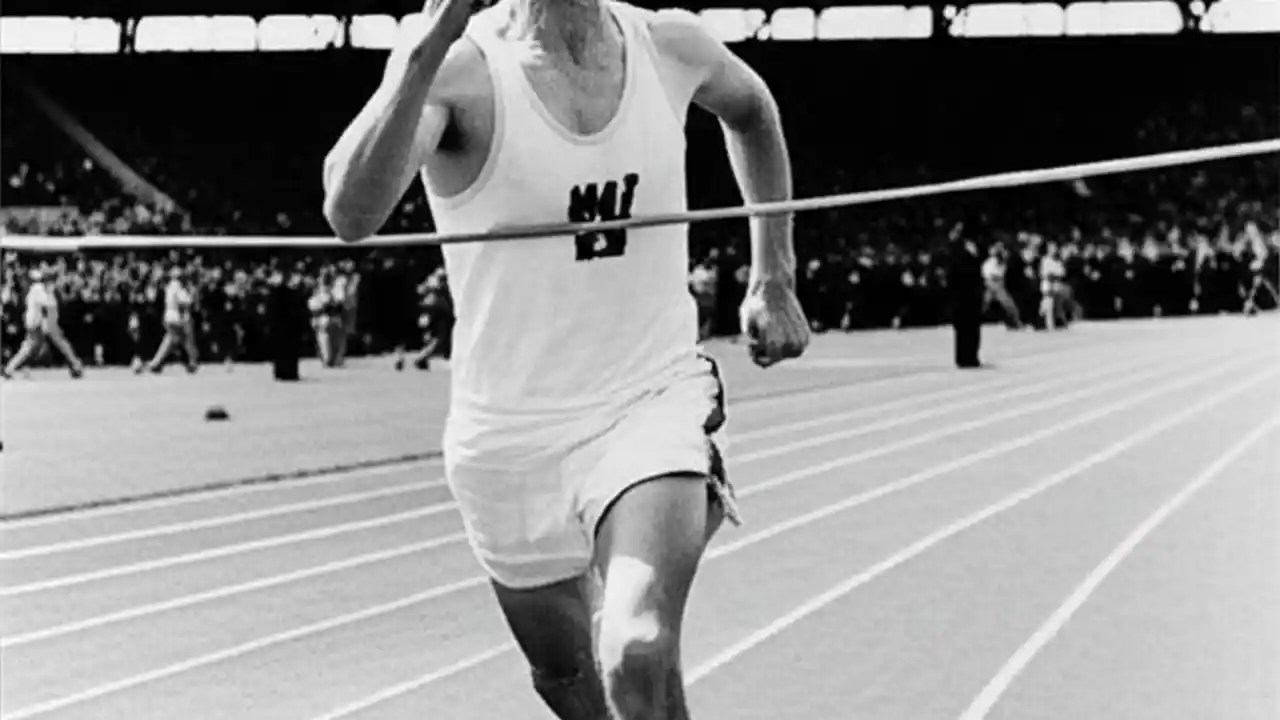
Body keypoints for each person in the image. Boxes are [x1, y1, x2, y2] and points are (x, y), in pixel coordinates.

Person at [322, 0, 808, 716]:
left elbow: (753, 111)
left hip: (651, 401)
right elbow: (351, 213)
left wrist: (774, 276)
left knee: (635, 649)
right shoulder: (462, 74)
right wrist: (420, 54)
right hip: (509, 439)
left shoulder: (668, 43)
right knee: (571, 683)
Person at [2, 267, 85, 380]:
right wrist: (53, 292)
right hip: (35, 322)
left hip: (36, 321)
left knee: (34, 346)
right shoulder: (37, 289)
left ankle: (11, 368)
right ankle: (10, 369)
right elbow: (49, 304)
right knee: (33, 346)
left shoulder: (36, 289)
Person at [140, 267, 199, 374]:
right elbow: (186, 301)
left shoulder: (170, 286)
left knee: (173, 340)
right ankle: (190, 363)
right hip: (176, 318)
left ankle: (157, 363)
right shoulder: (177, 286)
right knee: (179, 340)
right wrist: (193, 293)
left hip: (169, 317)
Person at [946, 222, 984, 369]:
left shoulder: (971, 248)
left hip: (969, 293)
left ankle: (970, 356)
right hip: (963, 293)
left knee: (970, 327)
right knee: (964, 327)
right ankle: (965, 357)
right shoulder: (957, 250)